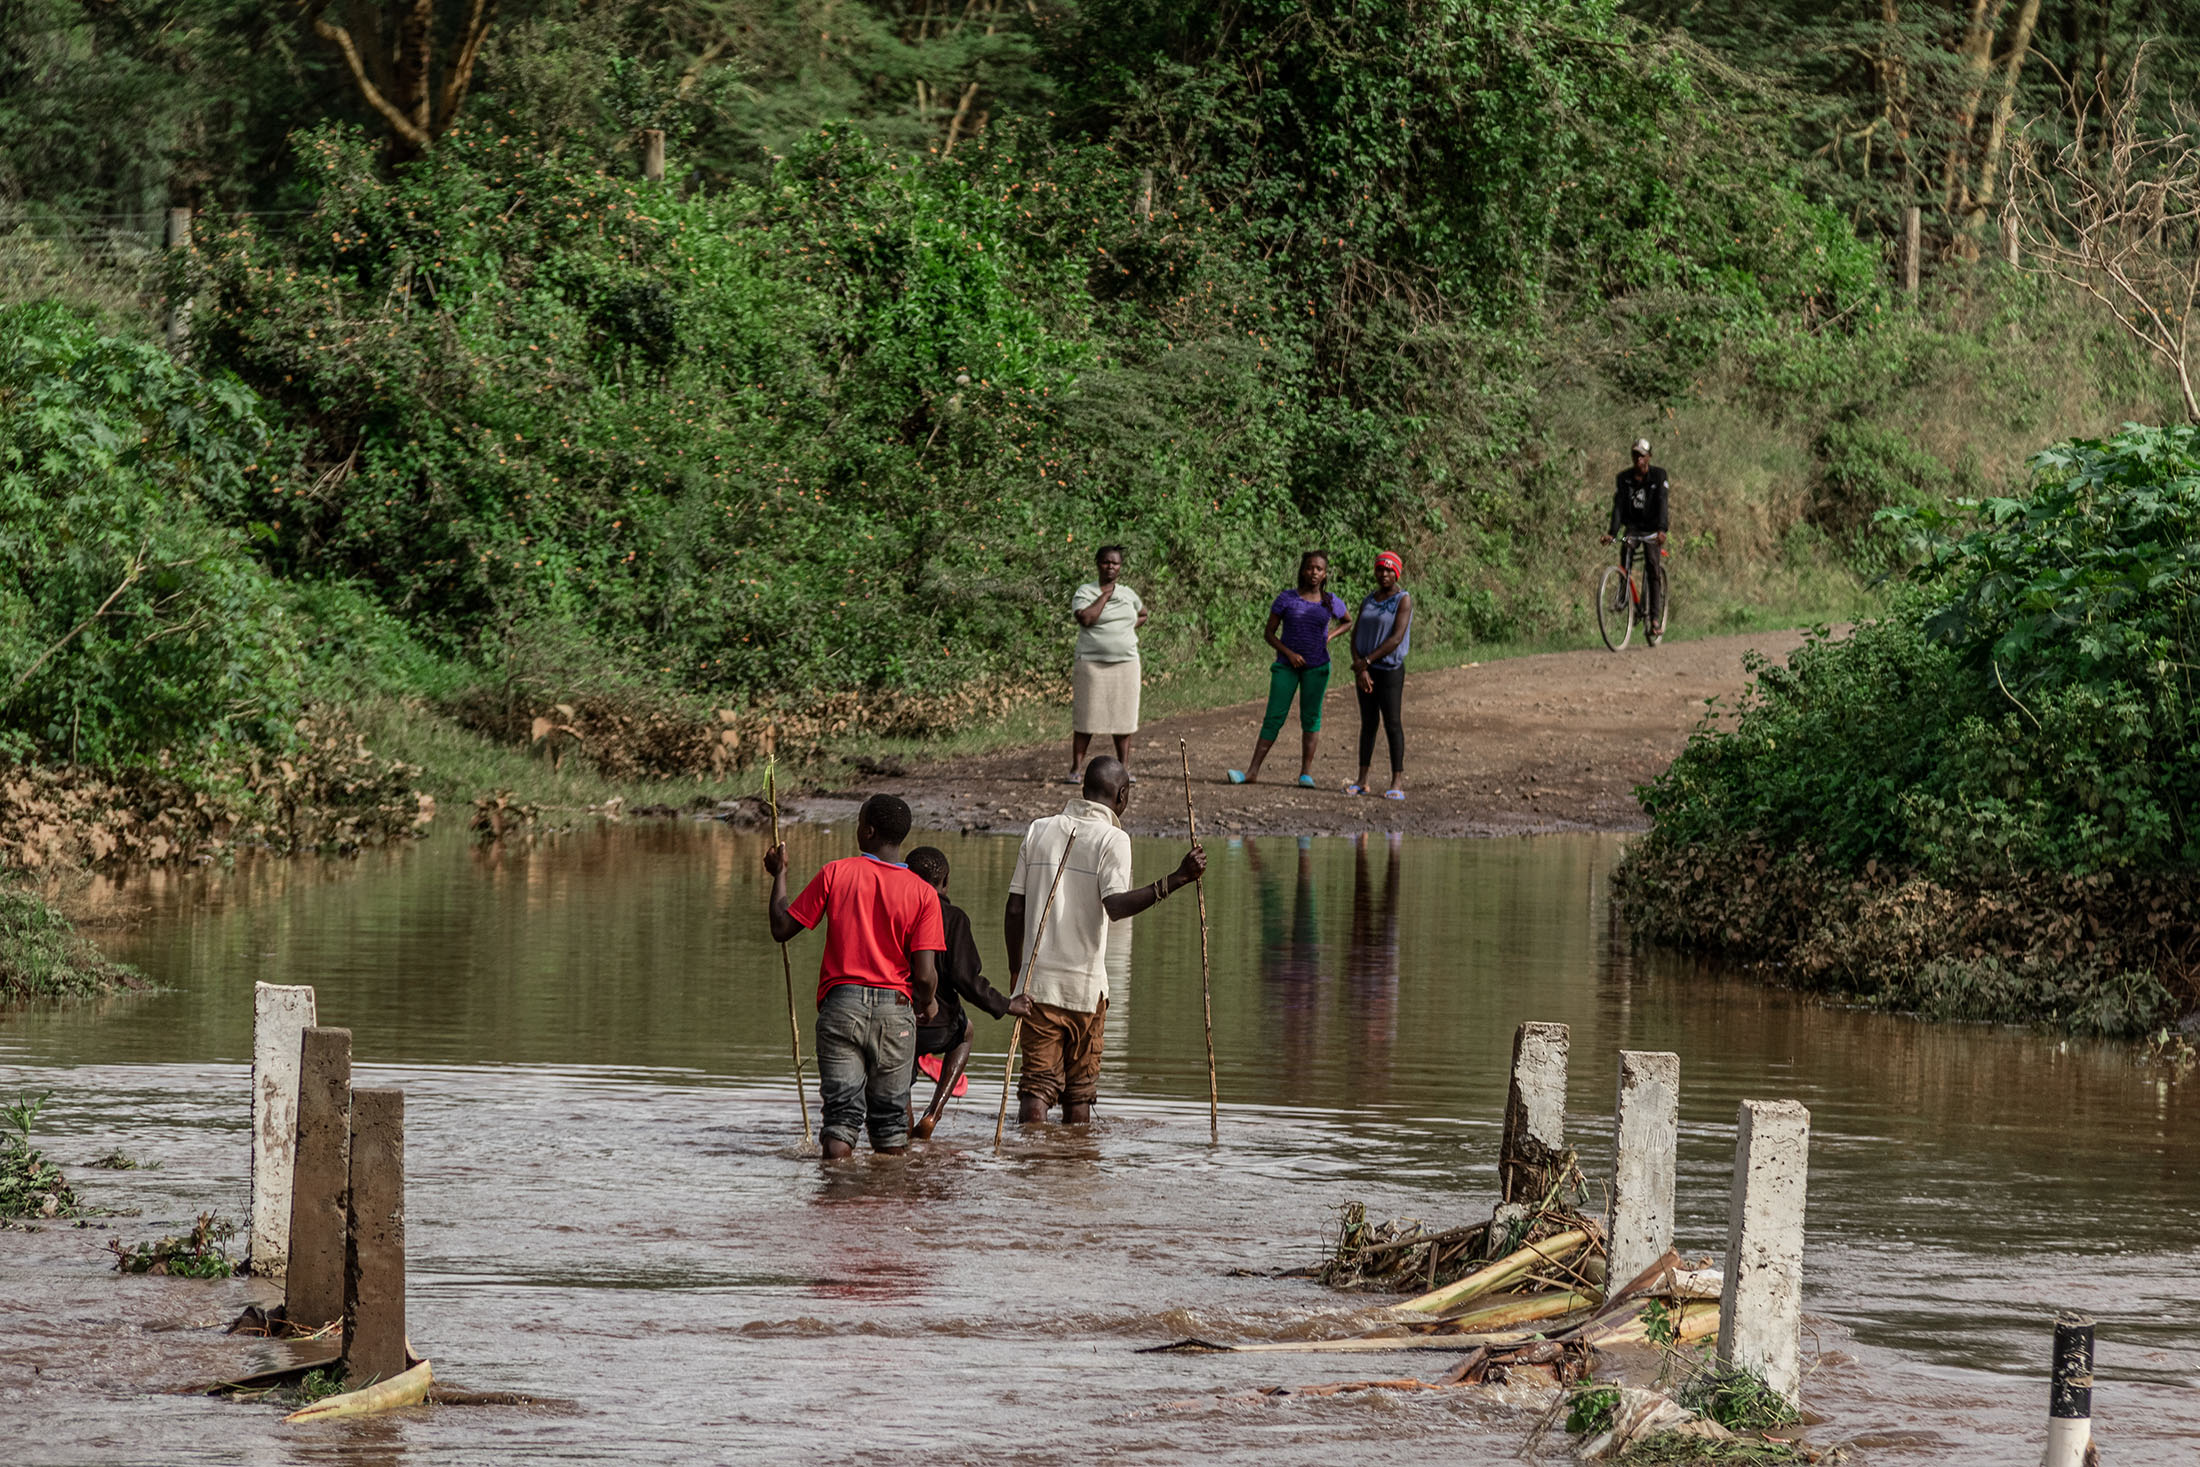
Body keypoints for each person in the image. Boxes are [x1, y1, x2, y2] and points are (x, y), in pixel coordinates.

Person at [1004, 756, 1205, 1124]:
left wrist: (1016, 971)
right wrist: (1176, 879)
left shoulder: (1038, 830)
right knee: (1079, 1096)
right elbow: (1115, 906)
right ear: (1122, 796)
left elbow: (1015, 909)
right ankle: (1078, 1158)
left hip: (1037, 988)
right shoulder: (1113, 838)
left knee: (1036, 1088)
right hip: (1086, 991)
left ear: (1084, 790)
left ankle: (1030, 1153)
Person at [765, 794, 943, 1160]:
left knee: (840, 1120)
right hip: (896, 1014)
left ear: (867, 831)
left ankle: (835, 1191)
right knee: (891, 1125)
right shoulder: (924, 894)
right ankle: (887, 1193)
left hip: (842, 1008)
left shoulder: (836, 873)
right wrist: (926, 1003)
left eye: (859, 823)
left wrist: (779, 874)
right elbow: (925, 976)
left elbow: (782, 927)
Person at [903, 845, 1030, 1140]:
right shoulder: (953, 918)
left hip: (893, 1018)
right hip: (937, 1025)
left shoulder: (894, 910)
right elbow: (966, 979)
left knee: (899, 1082)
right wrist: (1006, 1005)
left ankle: (903, 1129)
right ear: (945, 881)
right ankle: (934, 1112)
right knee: (966, 1031)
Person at [1228, 551, 1352, 787]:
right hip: (1286, 667)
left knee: (1311, 717)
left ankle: (1306, 774)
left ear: (1325, 574)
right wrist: (1289, 654)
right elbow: (1269, 633)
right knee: (1274, 716)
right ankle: (1252, 771)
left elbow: (1348, 621)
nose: (1314, 572)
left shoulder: (1330, 601)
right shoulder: (1287, 599)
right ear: (1302, 571)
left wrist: (1330, 636)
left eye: (1319, 569)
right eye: (1310, 568)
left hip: (1317, 667)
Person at [1068, 544, 1146, 784]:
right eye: (1106, 562)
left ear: (1120, 566)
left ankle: (1124, 768)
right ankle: (1076, 769)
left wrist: (1124, 630)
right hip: (1091, 664)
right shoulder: (1085, 591)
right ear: (1097, 564)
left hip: (1126, 663)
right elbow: (1086, 618)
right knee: (1086, 716)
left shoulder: (1129, 594)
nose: (1110, 567)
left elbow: (1143, 614)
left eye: (1115, 563)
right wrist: (1106, 596)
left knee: (1124, 717)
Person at [1346, 551, 1413, 801]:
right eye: (1380, 570)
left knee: (1392, 723)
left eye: (1389, 570)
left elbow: (1396, 638)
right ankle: (1362, 780)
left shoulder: (1402, 600)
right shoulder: (1368, 600)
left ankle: (1397, 781)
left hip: (1389, 670)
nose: (1384, 574)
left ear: (1397, 573)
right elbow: (1356, 634)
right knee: (1368, 724)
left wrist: (1367, 661)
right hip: (1365, 670)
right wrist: (1361, 667)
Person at [1604, 437, 1670, 637]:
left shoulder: (1658, 476)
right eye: (1635, 455)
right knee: (1626, 553)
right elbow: (1618, 507)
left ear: (1649, 457)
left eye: (1641, 455)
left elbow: (1663, 503)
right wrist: (1612, 533)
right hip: (1633, 528)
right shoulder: (1623, 478)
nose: (1638, 459)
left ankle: (1655, 618)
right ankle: (1623, 596)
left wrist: (1662, 530)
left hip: (1652, 530)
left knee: (1652, 566)